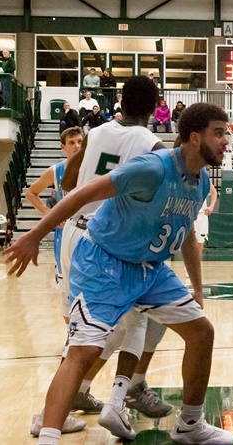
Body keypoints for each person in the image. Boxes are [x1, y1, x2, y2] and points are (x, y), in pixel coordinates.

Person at [4, 102, 233, 445]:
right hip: (104, 263)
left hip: (150, 269)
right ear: (194, 137)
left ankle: (190, 425)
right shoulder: (153, 168)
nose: (225, 141)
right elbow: (84, 192)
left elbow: (187, 234)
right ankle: (49, 437)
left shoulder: (200, 181)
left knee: (201, 333)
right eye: (218, 133)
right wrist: (34, 234)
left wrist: (197, 288)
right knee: (82, 351)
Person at [55, 76, 172, 435]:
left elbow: (67, 183)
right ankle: (123, 397)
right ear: (155, 107)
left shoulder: (96, 132)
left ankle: (67, 401)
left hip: (73, 233)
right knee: (138, 320)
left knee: (85, 331)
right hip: (110, 240)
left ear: (120, 100)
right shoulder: (152, 144)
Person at [25, 126, 84, 323]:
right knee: (66, 290)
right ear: (63, 147)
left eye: (80, 142)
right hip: (65, 235)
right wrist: (49, 214)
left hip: (89, 233)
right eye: (72, 143)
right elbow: (31, 193)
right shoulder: (56, 172)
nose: (76, 146)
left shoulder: (91, 169)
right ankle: (70, 336)